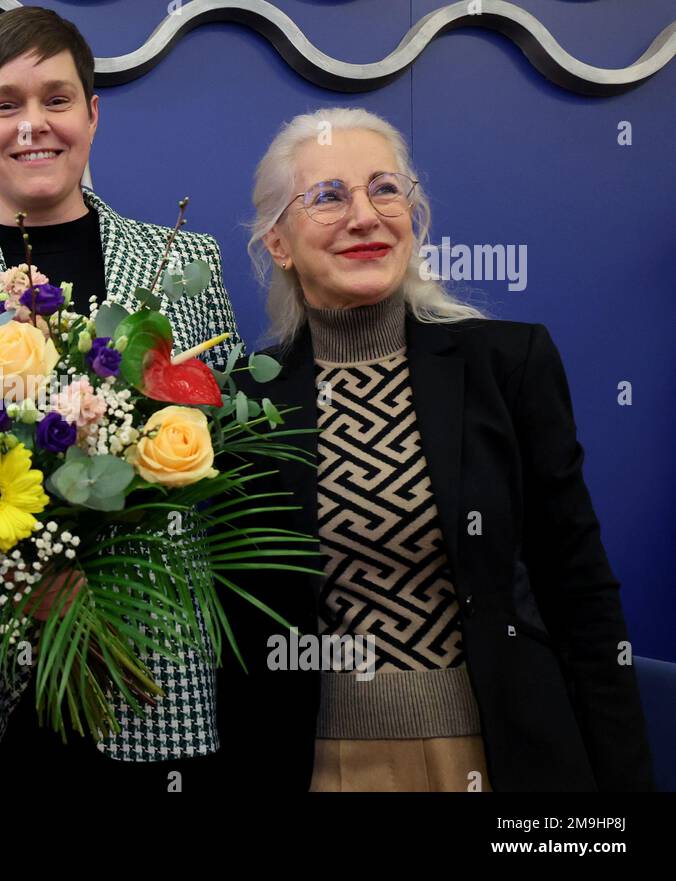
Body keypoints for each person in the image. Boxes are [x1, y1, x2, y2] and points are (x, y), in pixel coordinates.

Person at [0, 7, 240, 793]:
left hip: (147, 678)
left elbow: (230, 475)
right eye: (7, 104)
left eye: (57, 99)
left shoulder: (184, 266)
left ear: (93, 114)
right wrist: (15, 571)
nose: (34, 125)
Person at [225, 106, 654, 791]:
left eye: (385, 189)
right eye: (329, 197)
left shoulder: (509, 366)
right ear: (278, 242)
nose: (365, 216)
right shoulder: (242, 403)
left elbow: (581, 594)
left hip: (501, 757)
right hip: (321, 767)